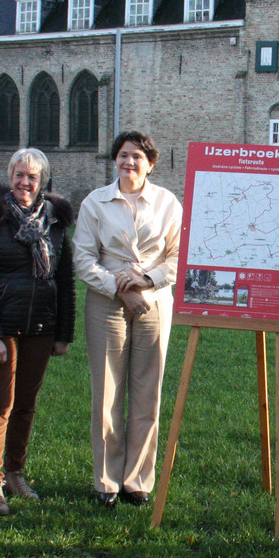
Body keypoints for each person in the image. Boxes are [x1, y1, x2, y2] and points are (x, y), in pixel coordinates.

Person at [73, 130, 181, 507]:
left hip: (154, 302)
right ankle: (107, 481)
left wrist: (147, 281)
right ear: (114, 160)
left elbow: (177, 256)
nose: (129, 162)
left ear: (151, 164)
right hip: (106, 301)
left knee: (147, 392)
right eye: (122, 155)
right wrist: (120, 288)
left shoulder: (168, 203)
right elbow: (83, 258)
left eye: (137, 156)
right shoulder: (95, 202)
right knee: (107, 392)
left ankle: (137, 480)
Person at [0, 148, 75, 515]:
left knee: (25, 406)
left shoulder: (55, 222)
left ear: (42, 181)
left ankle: (15, 472)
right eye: (19, 175)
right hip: (1, 329)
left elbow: (65, 280)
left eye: (32, 177)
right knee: (0, 406)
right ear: (9, 176)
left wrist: (63, 334)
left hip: (41, 328)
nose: (24, 182)